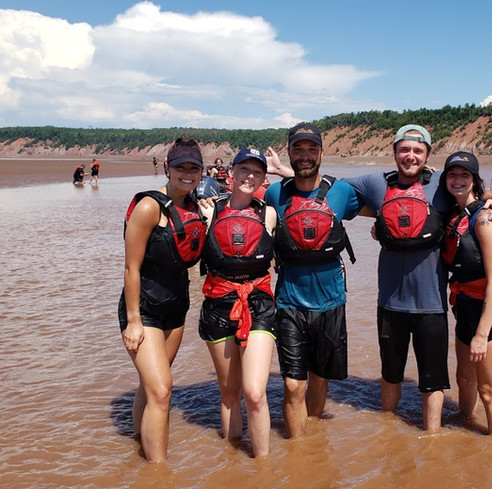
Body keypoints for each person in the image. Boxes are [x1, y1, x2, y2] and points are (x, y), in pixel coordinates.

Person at [344, 125, 492, 432]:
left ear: (428, 155)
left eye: (417, 151)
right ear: (393, 151)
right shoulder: (375, 184)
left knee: (433, 380)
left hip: (432, 304)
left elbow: (470, 192)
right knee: (390, 375)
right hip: (390, 303)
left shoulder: (441, 188)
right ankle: (388, 436)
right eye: (404, 150)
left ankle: (432, 439)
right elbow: (323, 186)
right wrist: (285, 173)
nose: (410, 156)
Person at [263, 122, 361, 439]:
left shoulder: (342, 192)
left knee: (319, 379)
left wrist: (489, 199)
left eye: (311, 149)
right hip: (289, 301)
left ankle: (313, 444)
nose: (304, 156)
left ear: (321, 152)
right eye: (298, 149)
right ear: (290, 152)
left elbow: (384, 205)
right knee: (293, 384)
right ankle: (297, 451)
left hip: (331, 301)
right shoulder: (275, 193)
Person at [118, 137, 207, 463]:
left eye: (193, 168)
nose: (187, 173)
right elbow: (131, 266)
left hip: (176, 307)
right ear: (167, 167)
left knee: (152, 384)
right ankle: (157, 473)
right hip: (144, 309)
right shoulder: (148, 207)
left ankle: (140, 442)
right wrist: (133, 320)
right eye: (180, 166)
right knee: (161, 389)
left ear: (201, 171)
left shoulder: (194, 206)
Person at [198, 147, 278, 457]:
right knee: (230, 394)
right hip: (219, 304)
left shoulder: (268, 214)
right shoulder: (209, 210)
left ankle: (263, 469)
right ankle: (232, 464)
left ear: (262, 178)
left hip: (258, 303)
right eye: (243, 169)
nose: (249, 176)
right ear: (230, 173)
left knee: (254, 392)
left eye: (256, 172)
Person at [440, 152, 492, 435]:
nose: (458, 180)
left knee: (487, 389)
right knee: (463, 378)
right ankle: (464, 426)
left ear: (474, 180)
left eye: (464, 175)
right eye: (452, 175)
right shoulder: (454, 213)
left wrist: (482, 336)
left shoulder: (484, 218)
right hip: (464, 306)